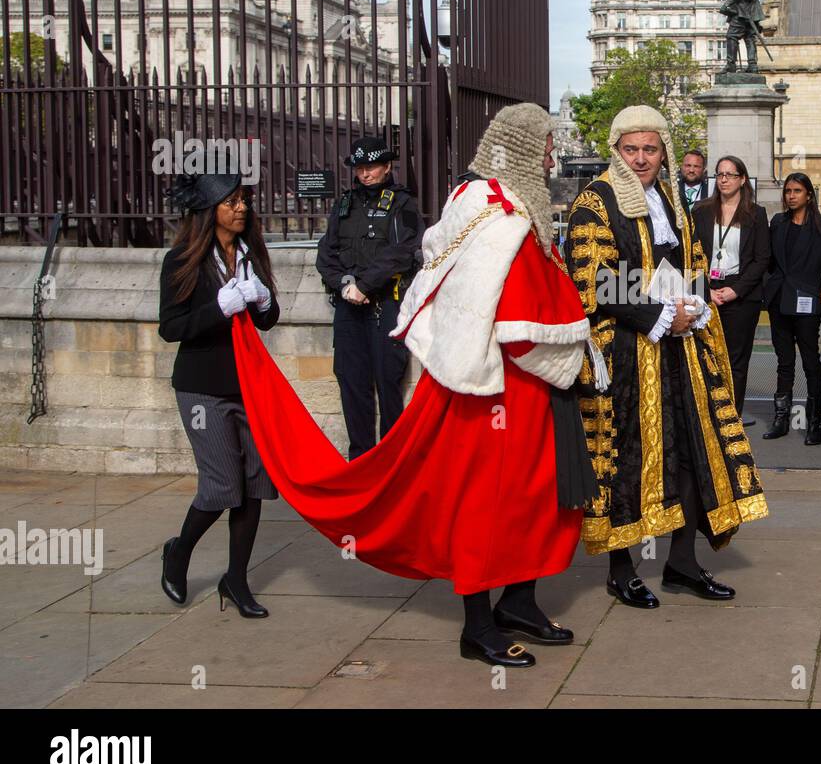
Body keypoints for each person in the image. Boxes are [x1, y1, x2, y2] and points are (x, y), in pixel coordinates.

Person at [230, 104, 594, 668]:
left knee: (531, 498)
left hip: (517, 390)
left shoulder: (504, 208)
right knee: (482, 504)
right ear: (523, 150)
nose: (552, 159)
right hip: (493, 390)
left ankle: (519, 601)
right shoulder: (502, 220)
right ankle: (478, 626)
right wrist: (569, 355)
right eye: (546, 148)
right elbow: (516, 321)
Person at [565, 105, 768, 608]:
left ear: (664, 153)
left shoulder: (672, 199)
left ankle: (681, 563)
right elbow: (593, 281)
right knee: (626, 459)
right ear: (616, 151)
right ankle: (621, 570)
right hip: (625, 354)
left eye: (649, 149)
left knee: (691, 450)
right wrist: (658, 314)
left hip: (679, 350)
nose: (640, 158)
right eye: (630, 149)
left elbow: (692, 263)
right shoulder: (594, 201)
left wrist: (693, 305)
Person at [158, 174, 280, 619]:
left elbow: (267, 320)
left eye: (244, 200)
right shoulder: (181, 260)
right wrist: (219, 309)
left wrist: (263, 300)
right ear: (210, 211)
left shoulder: (250, 253)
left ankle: (237, 580)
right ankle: (178, 551)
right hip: (202, 389)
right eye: (231, 202)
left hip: (248, 386)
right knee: (222, 484)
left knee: (254, 483)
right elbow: (171, 327)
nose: (241, 208)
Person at [315, 136, 425, 459]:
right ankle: (361, 461)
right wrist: (345, 285)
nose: (365, 174)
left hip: (384, 307)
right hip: (349, 309)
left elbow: (403, 252)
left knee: (389, 385)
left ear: (387, 166)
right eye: (359, 168)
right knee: (352, 385)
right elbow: (326, 255)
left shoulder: (402, 204)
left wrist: (365, 285)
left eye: (372, 167)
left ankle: (390, 464)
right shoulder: (344, 204)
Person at [761, 173, 821, 446]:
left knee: (811, 363)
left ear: (809, 195)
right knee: (784, 362)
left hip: (806, 302)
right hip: (779, 301)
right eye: (788, 191)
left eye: (797, 191)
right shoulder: (778, 222)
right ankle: (781, 419)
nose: (791, 196)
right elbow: (769, 259)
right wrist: (769, 284)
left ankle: (814, 421)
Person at [692, 155, 770, 421]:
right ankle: (707, 418)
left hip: (741, 295)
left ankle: (731, 419)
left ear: (742, 179)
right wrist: (705, 290)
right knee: (706, 357)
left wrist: (736, 290)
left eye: (730, 175)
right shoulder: (701, 211)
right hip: (707, 291)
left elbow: (762, 259)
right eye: (720, 174)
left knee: (736, 361)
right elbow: (692, 254)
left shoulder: (756, 214)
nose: (724, 180)